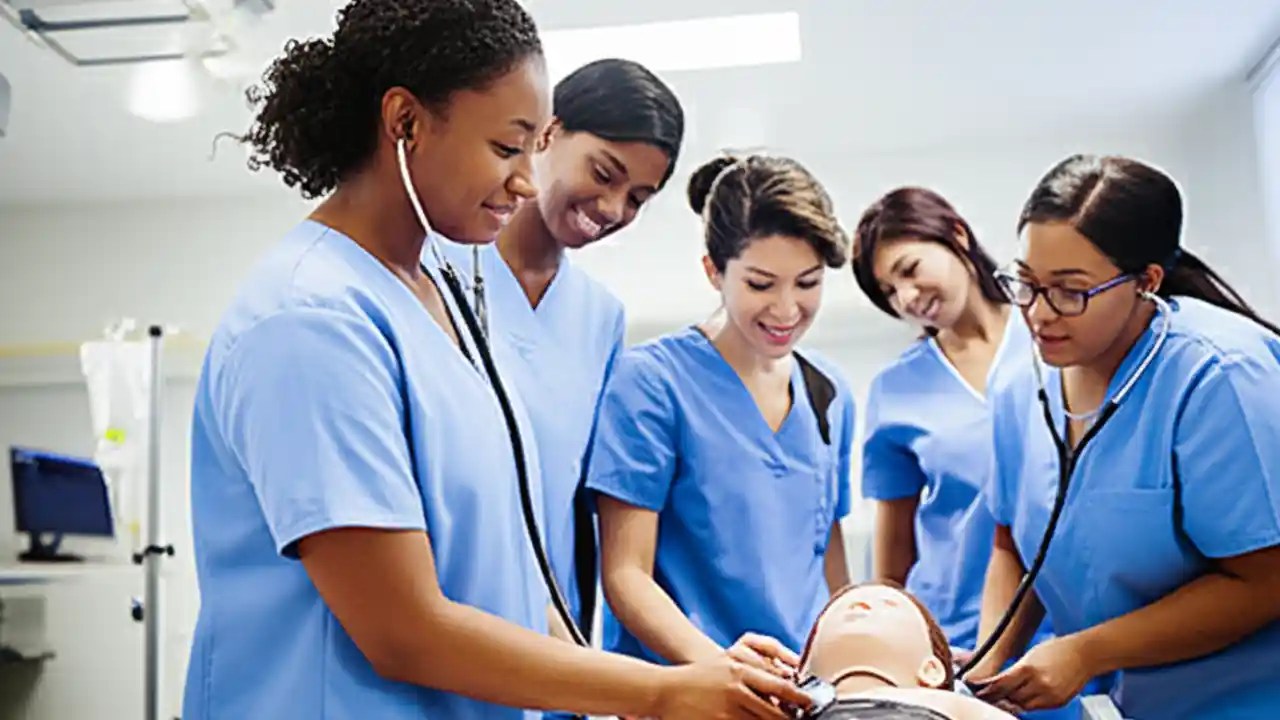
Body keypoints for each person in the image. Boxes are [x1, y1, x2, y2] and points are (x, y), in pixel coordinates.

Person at [181, 2, 811, 719]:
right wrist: (662, 691)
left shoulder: (438, 296)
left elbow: (503, 563)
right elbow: (401, 629)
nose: (523, 180)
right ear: (405, 122)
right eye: (508, 148)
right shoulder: (311, 320)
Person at [969, 154, 1280, 720]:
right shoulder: (1022, 377)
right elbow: (1016, 543)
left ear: (1146, 282)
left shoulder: (1221, 376)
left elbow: (1265, 580)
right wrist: (983, 672)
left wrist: (1088, 652)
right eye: (1026, 283)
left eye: (1070, 290)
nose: (1039, 313)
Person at [436, 57, 684, 644]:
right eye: (604, 172)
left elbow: (579, 508)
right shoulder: (435, 273)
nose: (612, 208)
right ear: (547, 132)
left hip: (555, 635)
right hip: (450, 621)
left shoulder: (600, 318)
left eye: (637, 198)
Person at [586, 153, 856, 670]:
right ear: (714, 271)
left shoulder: (829, 392)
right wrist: (718, 670)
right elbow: (625, 576)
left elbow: (829, 567)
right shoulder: (652, 384)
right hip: (687, 687)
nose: (786, 309)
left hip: (802, 690)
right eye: (760, 284)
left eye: (807, 282)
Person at [850, 189, 1081, 719]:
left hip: (1063, 639)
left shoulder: (1060, 340)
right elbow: (893, 563)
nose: (907, 297)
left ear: (956, 234)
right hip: (952, 649)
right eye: (888, 291)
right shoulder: (897, 389)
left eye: (910, 270)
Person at [797, 581, 1016, 719]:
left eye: (888, 604)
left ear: (931, 670)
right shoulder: (789, 709)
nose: (862, 606)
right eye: (840, 609)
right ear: (801, 672)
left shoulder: (950, 704)